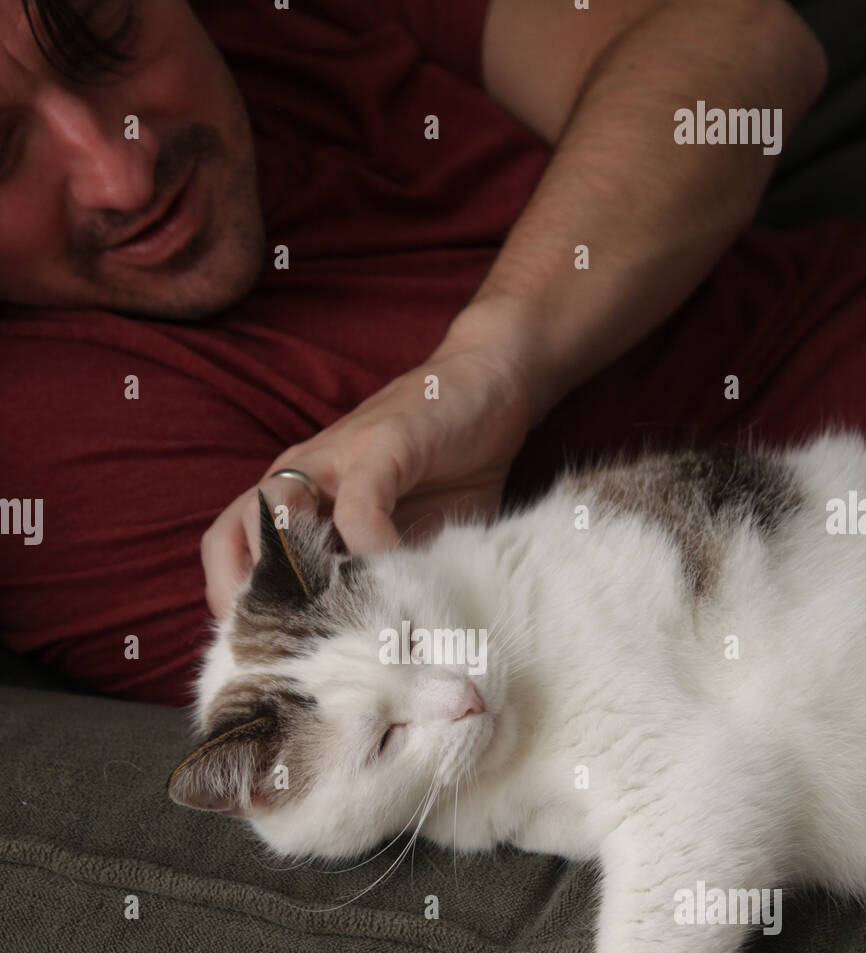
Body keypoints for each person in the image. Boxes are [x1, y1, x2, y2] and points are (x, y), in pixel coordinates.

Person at [0, 0, 848, 703]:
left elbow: (745, 46)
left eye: (108, 34)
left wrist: (493, 364)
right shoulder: (37, 443)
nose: (124, 170)